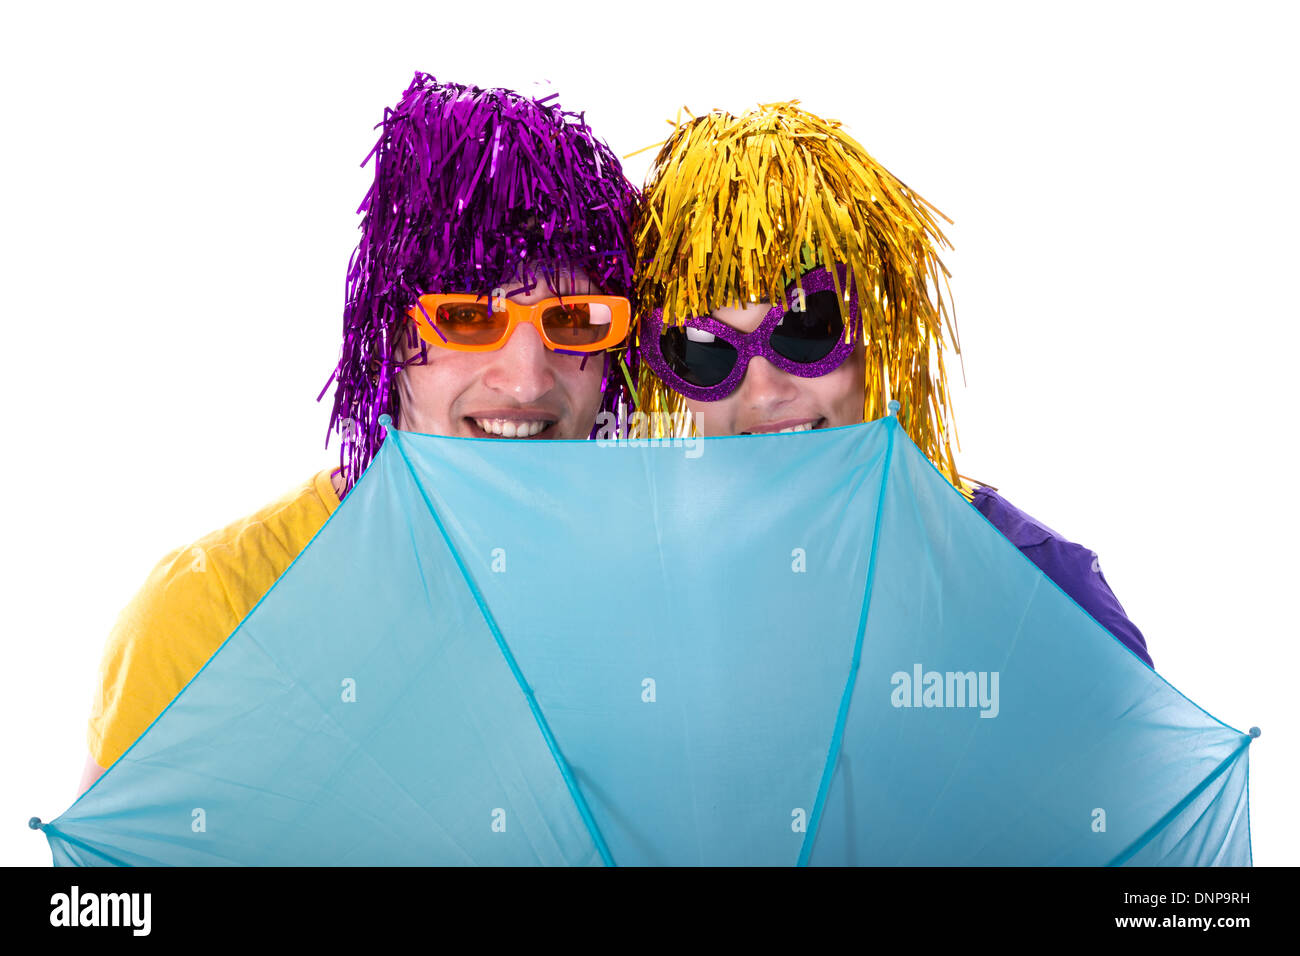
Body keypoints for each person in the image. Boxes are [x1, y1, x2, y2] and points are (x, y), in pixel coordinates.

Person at [77, 73, 640, 795]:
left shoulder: (655, 618)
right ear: (384, 332)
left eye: (574, 320)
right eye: (469, 316)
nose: (528, 381)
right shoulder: (215, 613)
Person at [630, 100, 1153, 668]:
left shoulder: (1037, 593)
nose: (762, 393)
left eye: (807, 328)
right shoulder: (637, 608)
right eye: (703, 351)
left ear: (883, 327)